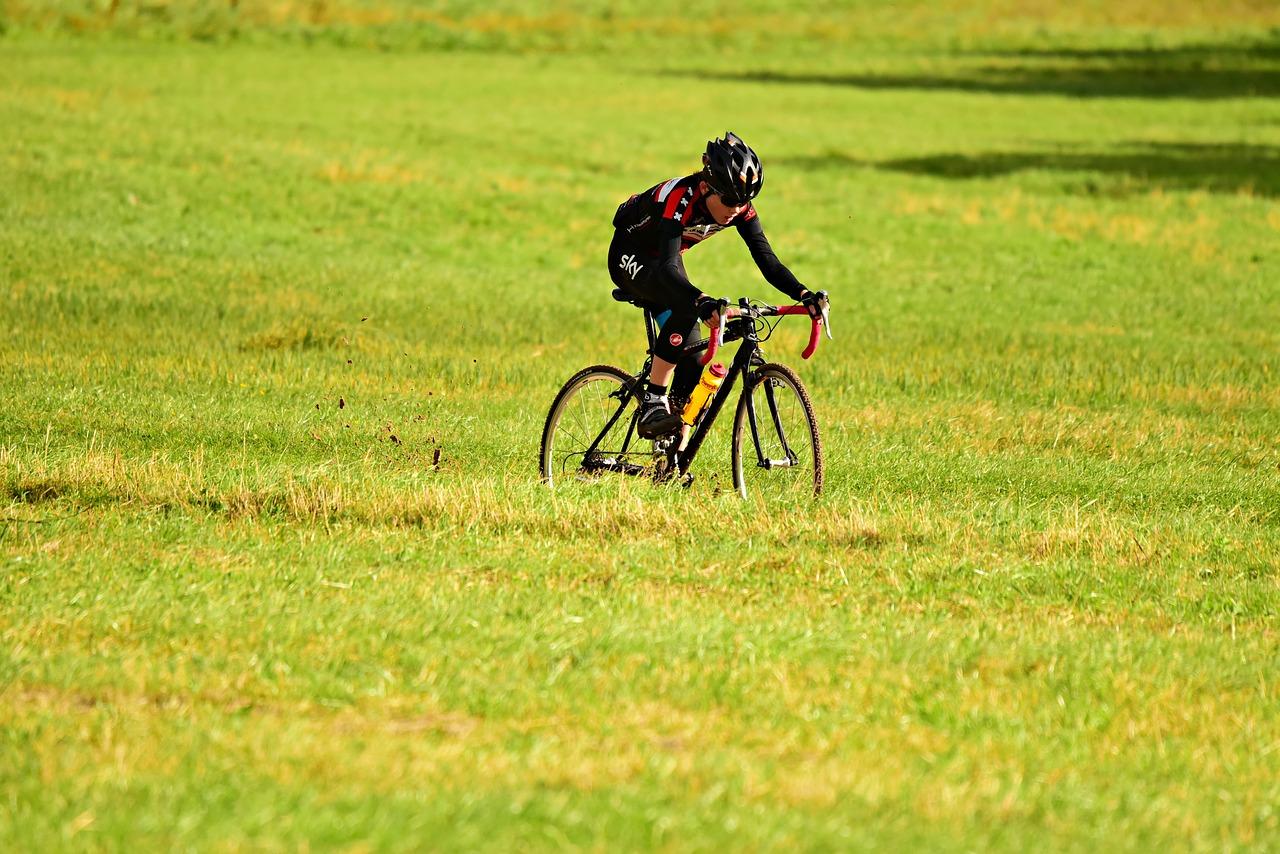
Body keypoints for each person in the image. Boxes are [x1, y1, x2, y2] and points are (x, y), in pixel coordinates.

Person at [608, 131, 825, 438]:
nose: (736, 208)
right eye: (729, 200)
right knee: (687, 305)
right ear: (708, 186)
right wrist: (701, 299)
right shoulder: (681, 197)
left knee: (693, 360)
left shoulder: (738, 205)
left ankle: (670, 453)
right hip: (631, 254)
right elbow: (669, 268)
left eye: (744, 201)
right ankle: (654, 403)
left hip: (665, 263)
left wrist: (804, 294)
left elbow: (768, 261)